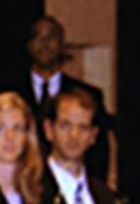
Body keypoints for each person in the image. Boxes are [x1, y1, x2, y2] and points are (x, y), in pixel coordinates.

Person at [24, 15, 111, 181]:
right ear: (29, 45)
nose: (45, 43)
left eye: (51, 37)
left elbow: (100, 154)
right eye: (38, 37)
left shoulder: (89, 95)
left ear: (63, 45)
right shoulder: (12, 95)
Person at [37, 88, 122, 204]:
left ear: (93, 136)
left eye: (83, 128)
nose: (74, 136)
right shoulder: (33, 190)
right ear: (49, 130)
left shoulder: (106, 198)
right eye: (65, 125)